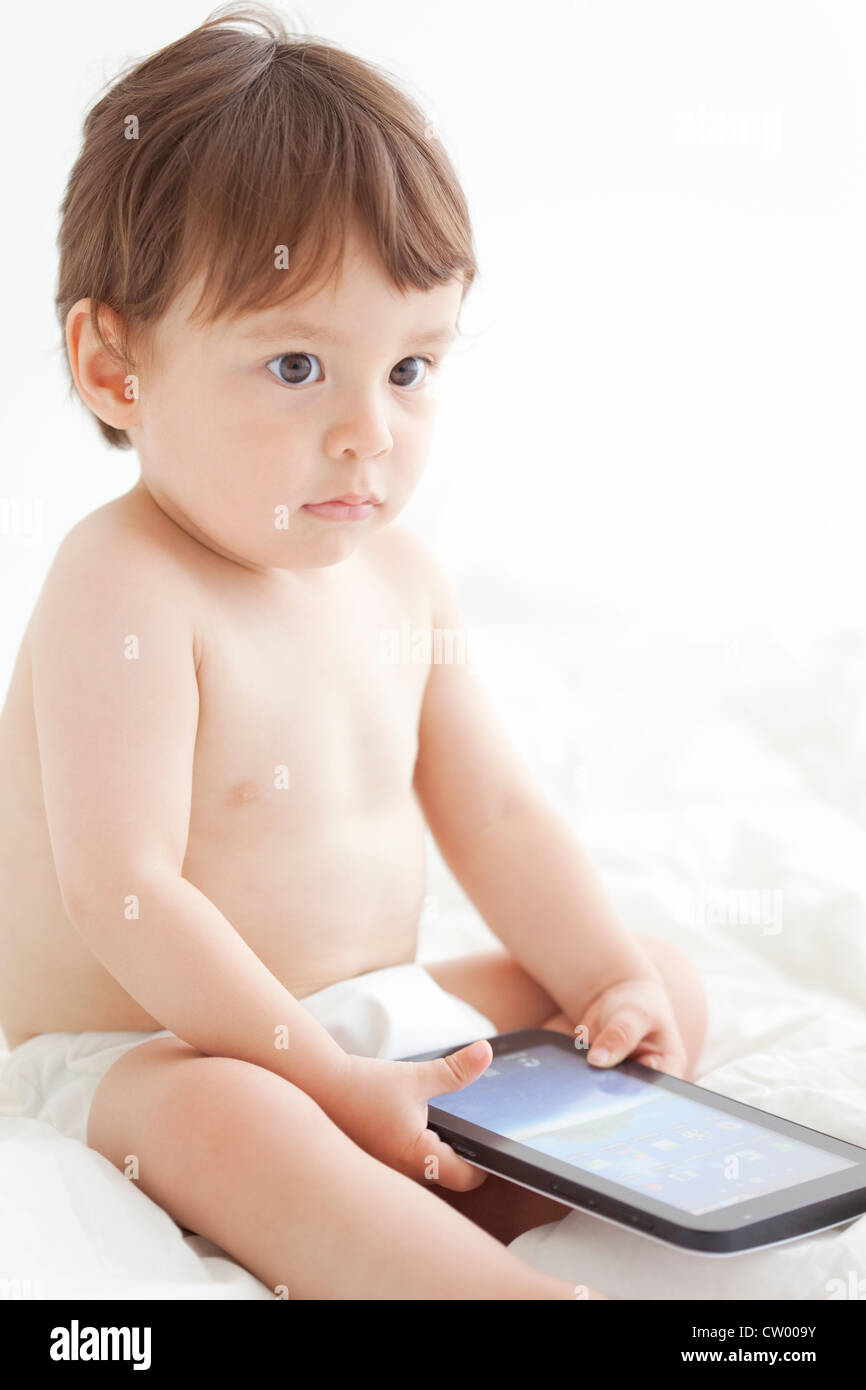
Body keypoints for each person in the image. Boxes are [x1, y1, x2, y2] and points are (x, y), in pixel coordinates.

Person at [0, 4, 706, 1299]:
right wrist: (320, 1079)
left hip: (373, 1013)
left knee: (652, 983)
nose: (365, 433)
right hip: (161, 1051)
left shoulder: (402, 576)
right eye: (292, 364)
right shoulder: (125, 581)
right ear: (113, 366)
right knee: (234, 1121)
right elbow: (128, 892)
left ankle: (416, 1192)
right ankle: (462, 1274)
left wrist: (601, 978)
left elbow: (493, 811)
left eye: (410, 368)